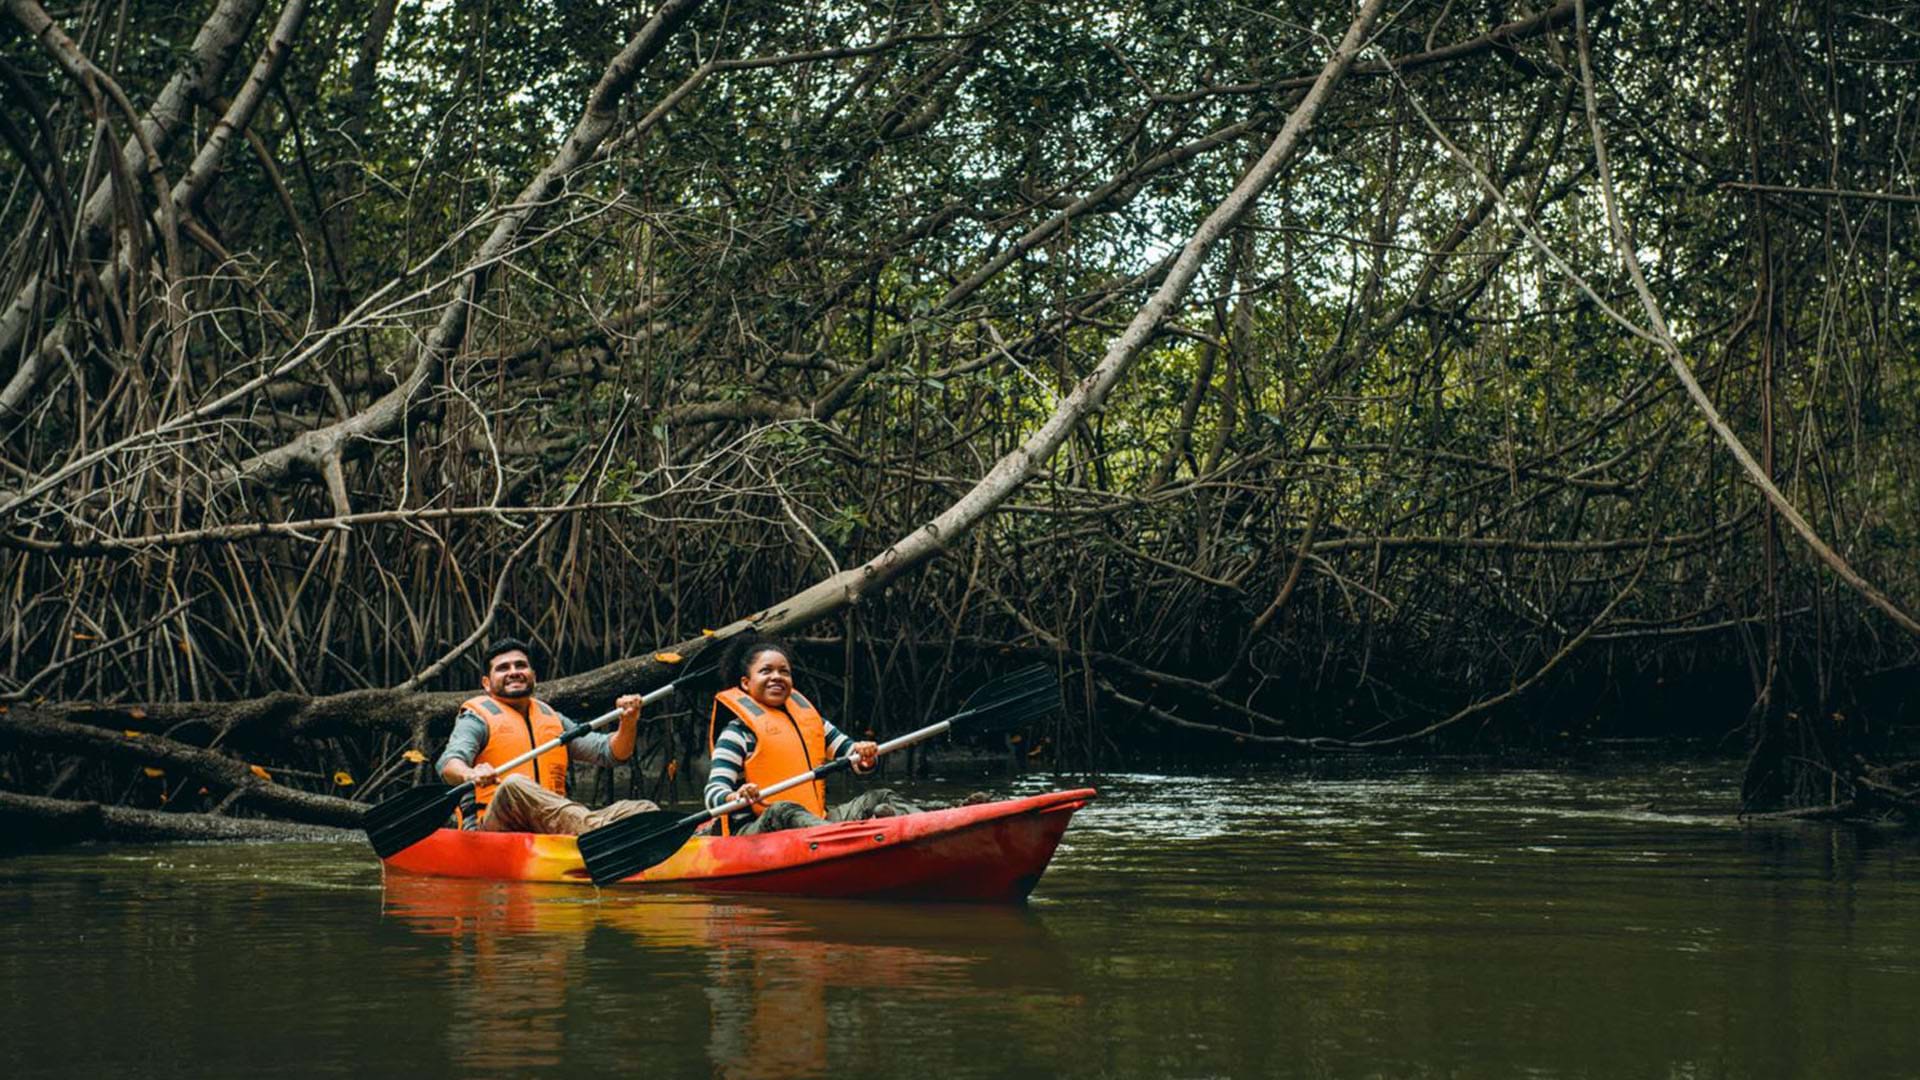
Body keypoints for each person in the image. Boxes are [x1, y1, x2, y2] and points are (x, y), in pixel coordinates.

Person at [436, 636, 660, 834]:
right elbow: (448, 763)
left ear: (533, 676)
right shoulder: (477, 718)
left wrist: (628, 721)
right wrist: (470, 774)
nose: (513, 671)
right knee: (514, 785)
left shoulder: (553, 718)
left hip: (552, 823)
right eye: (503, 668)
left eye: (520, 665)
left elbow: (610, 752)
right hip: (493, 826)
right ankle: (599, 832)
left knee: (643, 810)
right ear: (486, 683)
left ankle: (608, 830)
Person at [705, 637, 919, 835]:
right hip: (755, 829)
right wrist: (735, 796)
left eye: (784, 672)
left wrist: (866, 755)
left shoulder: (811, 722)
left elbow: (854, 757)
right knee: (782, 810)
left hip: (814, 820)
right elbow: (713, 793)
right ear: (745, 683)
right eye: (766, 671)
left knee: (879, 796)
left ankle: (931, 824)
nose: (776, 677)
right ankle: (841, 838)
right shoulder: (737, 733)